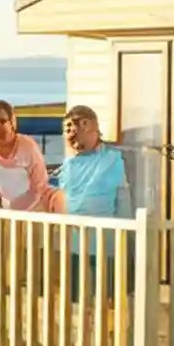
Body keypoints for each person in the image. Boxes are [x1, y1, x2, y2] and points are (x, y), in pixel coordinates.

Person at [50, 105, 131, 302]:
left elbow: (118, 200)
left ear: (89, 126)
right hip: (73, 245)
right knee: (76, 301)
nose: (70, 134)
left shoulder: (112, 159)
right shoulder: (68, 165)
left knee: (107, 301)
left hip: (105, 245)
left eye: (73, 127)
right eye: (66, 130)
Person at [0, 99, 52, 212]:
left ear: (12, 123)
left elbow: (39, 185)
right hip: (3, 212)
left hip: (33, 210)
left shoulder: (28, 146)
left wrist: (15, 208)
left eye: (2, 121)